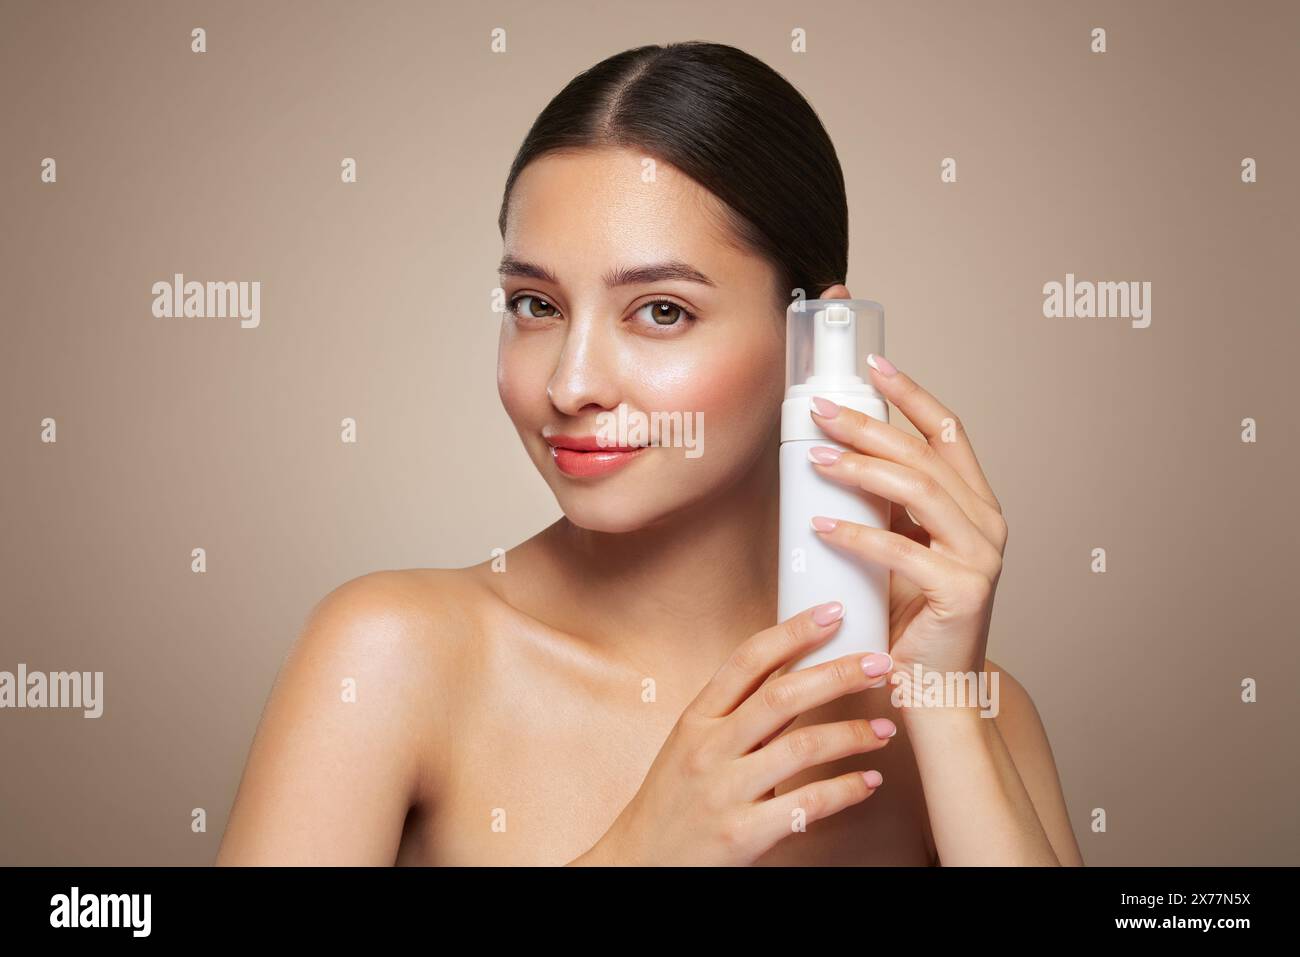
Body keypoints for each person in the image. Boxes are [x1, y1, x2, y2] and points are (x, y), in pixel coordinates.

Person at [217, 41, 1083, 866]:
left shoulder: (968, 703)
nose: (571, 382)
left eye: (661, 310)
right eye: (534, 304)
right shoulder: (392, 656)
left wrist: (946, 710)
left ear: (817, 338)